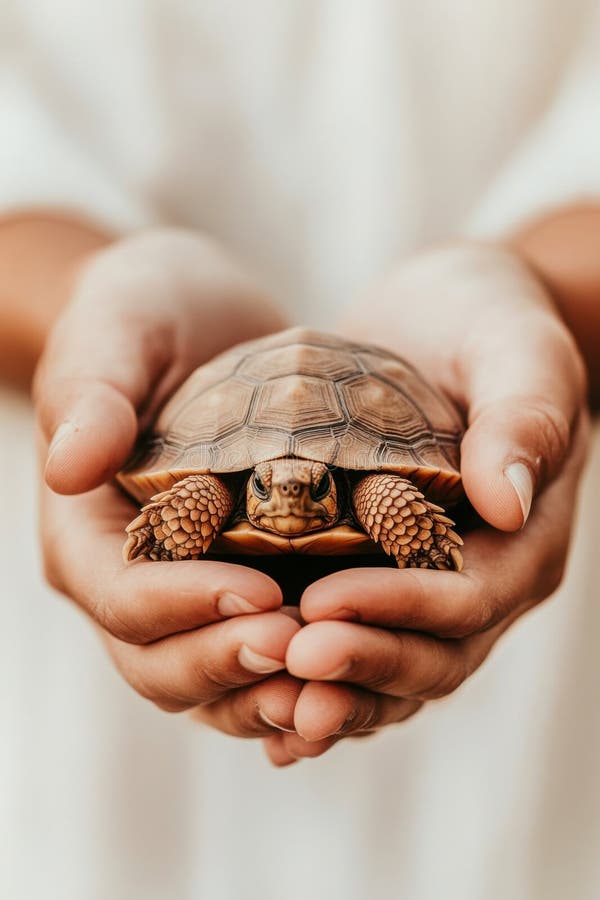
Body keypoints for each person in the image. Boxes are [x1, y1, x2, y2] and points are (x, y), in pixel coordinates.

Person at [1, 3, 599, 897]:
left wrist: (550, 300)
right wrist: (69, 306)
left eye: (307, 485)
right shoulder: (213, 492)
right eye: (274, 484)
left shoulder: (375, 494)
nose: (288, 492)